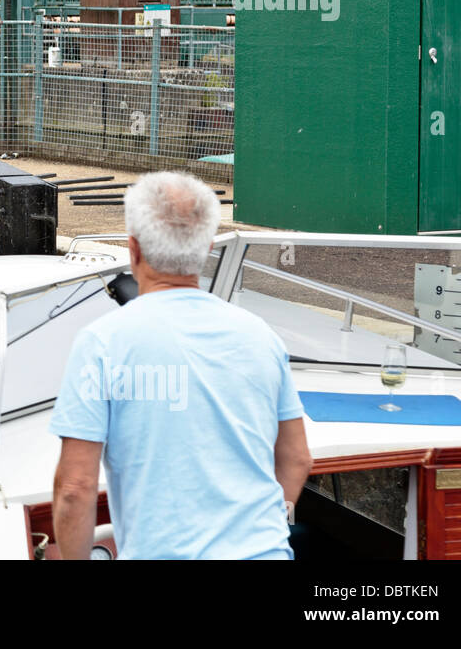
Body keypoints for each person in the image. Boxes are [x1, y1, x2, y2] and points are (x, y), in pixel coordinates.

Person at [49, 171, 312, 559]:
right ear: (206, 248)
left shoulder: (103, 343)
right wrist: (271, 523)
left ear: (133, 250)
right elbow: (297, 458)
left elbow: (75, 488)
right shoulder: (261, 336)